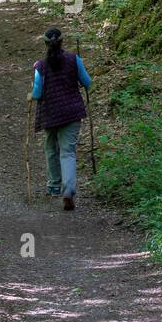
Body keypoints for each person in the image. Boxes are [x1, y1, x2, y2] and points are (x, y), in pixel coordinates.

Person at [28, 27, 92, 211]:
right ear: (62, 42)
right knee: (68, 152)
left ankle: (54, 185)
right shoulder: (74, 60)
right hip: (72, 113)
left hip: (50, 114)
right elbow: (87, 83)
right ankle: (68, 190)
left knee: (50, 148)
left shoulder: (40, 66)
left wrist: (30, 95)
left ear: (45, 44)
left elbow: (38, 93)